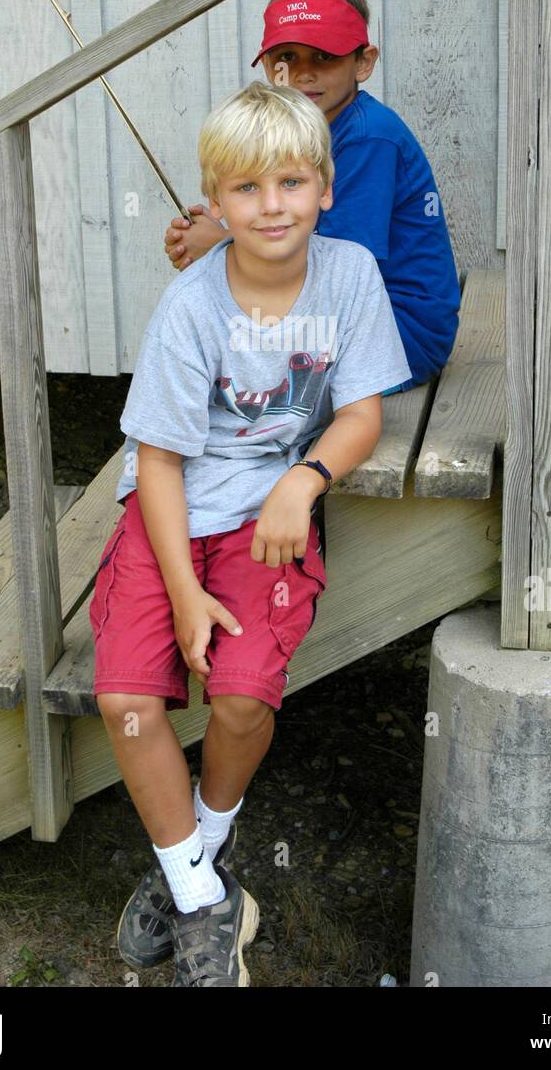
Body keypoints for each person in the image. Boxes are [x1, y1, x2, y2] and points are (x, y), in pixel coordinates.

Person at [90, 80, 411, 987]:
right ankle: (203, 899)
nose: (272, 206)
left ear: (325, 188)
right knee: (126, 701)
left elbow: (360, 412)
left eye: (291, 183)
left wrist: (302, 484)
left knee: (239, 698)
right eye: (246, 190)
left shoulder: (349, 275)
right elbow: (156, 463)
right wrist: (184, 592)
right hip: (171, 513)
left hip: (266, 519)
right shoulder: (191, 306)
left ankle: (196, 848)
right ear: (215, 202)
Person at [163, 0, 461, 399]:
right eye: (287, 57)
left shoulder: (367, 138)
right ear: (267, 65)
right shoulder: (301, 131)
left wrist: (222, 246)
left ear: (363, 61)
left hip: (399, 334)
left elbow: (340, 271)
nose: (304, 75)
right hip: (350, 317)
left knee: (234, 369)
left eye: (324, 57)